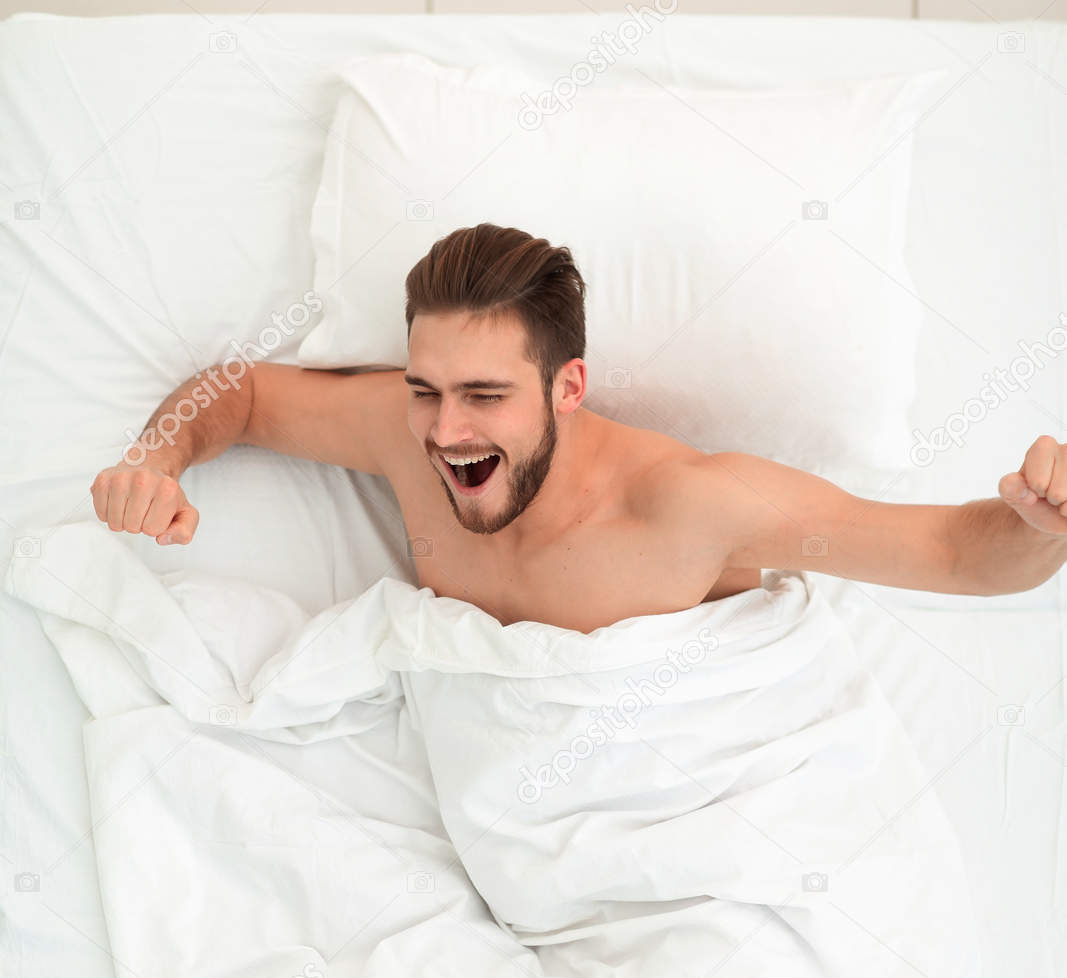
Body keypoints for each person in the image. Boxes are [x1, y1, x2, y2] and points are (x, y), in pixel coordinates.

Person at [90, 223, 1067, 634]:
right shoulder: (404, 429)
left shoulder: (687, 504)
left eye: (483, 394)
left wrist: (1039, 523)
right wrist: (155, 456)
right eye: (427, 389)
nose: (444, 429)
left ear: (568, 388)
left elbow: (950, 554)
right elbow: (239, 392)